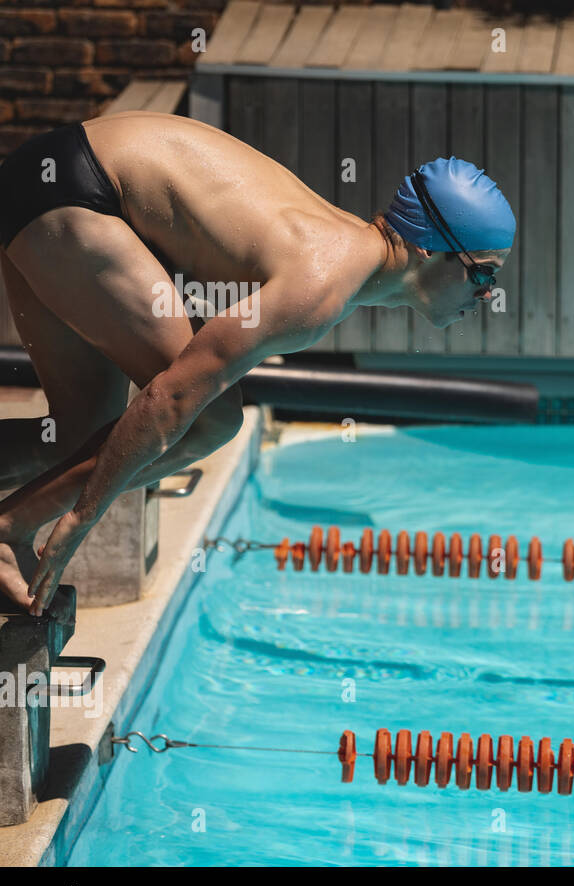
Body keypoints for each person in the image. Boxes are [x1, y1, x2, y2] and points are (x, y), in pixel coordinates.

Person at [0, 111, 515, 615]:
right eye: (482, 275)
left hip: (50, 178)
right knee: (210, 419)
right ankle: (10, 528)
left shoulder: (344, 253)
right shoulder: (323, 283)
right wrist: (83, 517)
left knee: (79, 443)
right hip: (76, 193)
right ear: (429, 249)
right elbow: (171, 397)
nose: (489, 295)